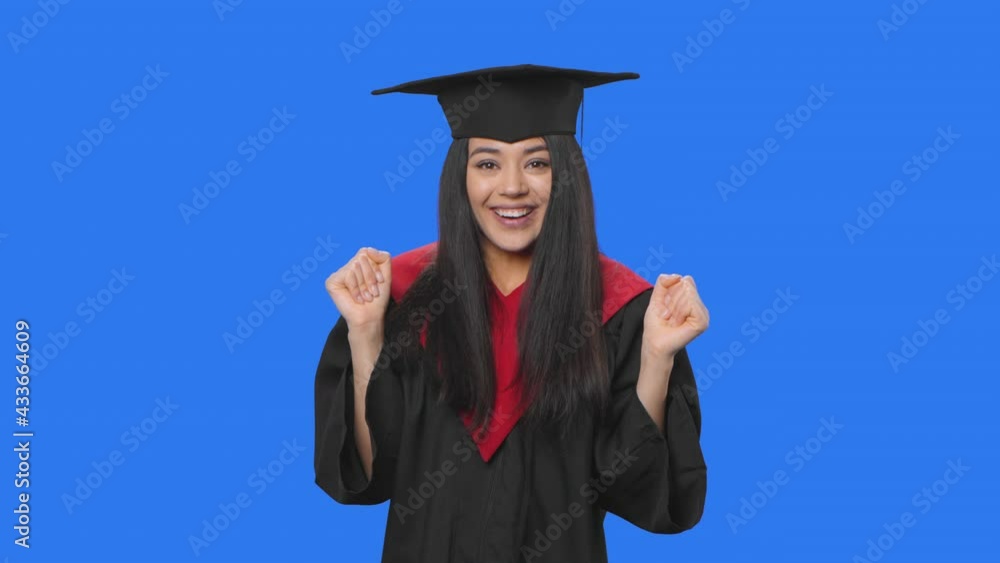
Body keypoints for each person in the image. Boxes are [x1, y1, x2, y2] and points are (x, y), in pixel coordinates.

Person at [314, 64, 709, 562]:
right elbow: (371, 477)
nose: (513, 187)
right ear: (460, 176)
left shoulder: (620, 311)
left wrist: (656, 358)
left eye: (537, 163)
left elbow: (636, 491)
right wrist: (366, 334)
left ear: (566, 174)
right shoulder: (403, 299)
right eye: (487, 164)